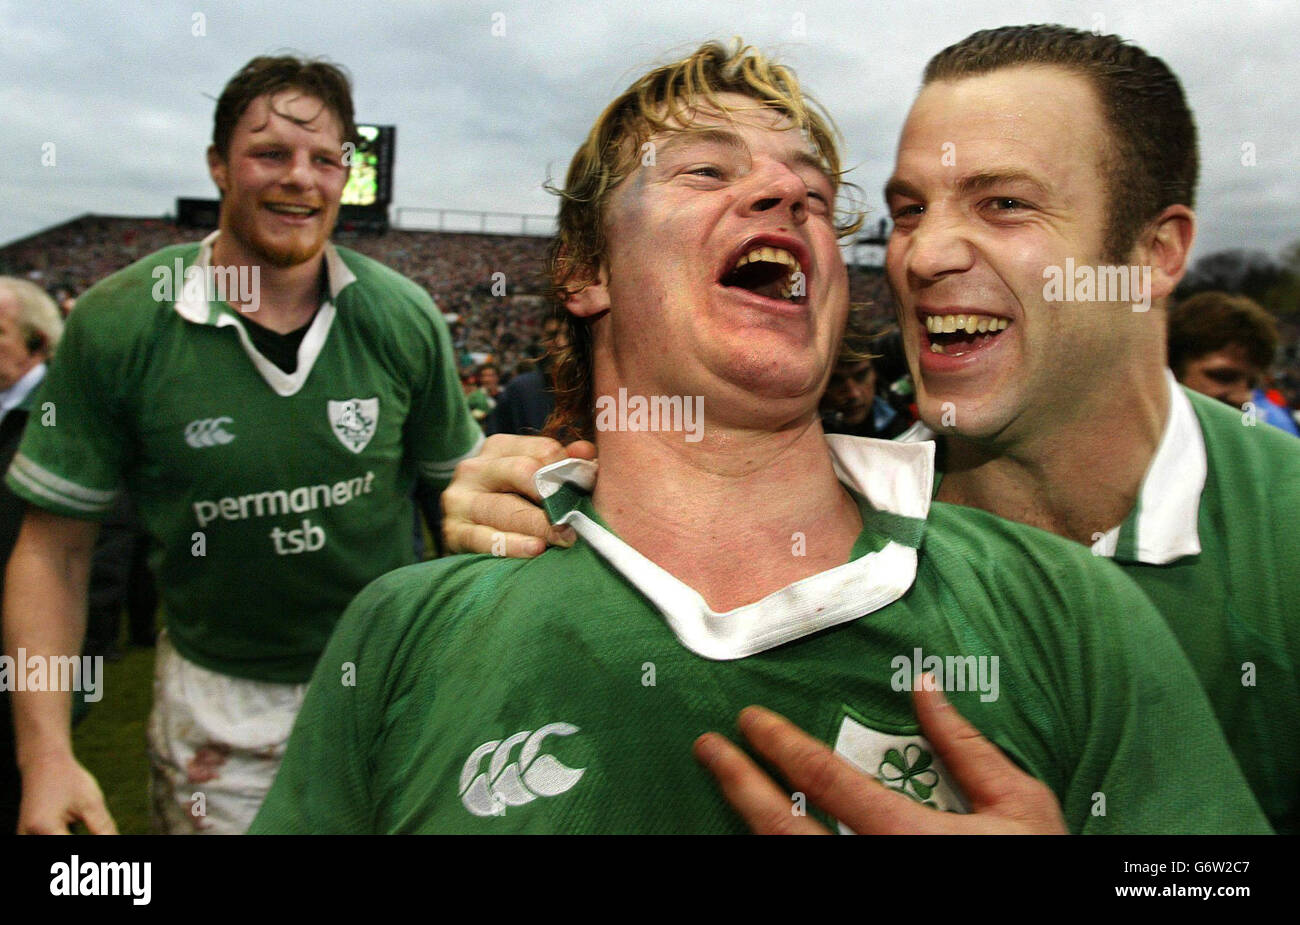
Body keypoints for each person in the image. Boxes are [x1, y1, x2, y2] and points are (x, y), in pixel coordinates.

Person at [253, 41, 1266, 835]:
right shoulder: (403, 629)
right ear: (584, 271)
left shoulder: (1065, 602)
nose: (786, 197)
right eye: (704, 171)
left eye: (815, 196)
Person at [4, 56, 482, 835]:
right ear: (218, 165)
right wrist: (46, 755)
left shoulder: (402, 315)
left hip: (397, 687)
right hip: (222, 705)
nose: (302, 178)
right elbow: (51, 552)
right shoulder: (120, 318)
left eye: (326, 160)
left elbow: (461, 507)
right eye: (271, 154)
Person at [1169, 290, 1299, 435]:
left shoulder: (1266, 437)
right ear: (1172, 371)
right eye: (1223, 376)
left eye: (1252, 385)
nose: (1243, 397)